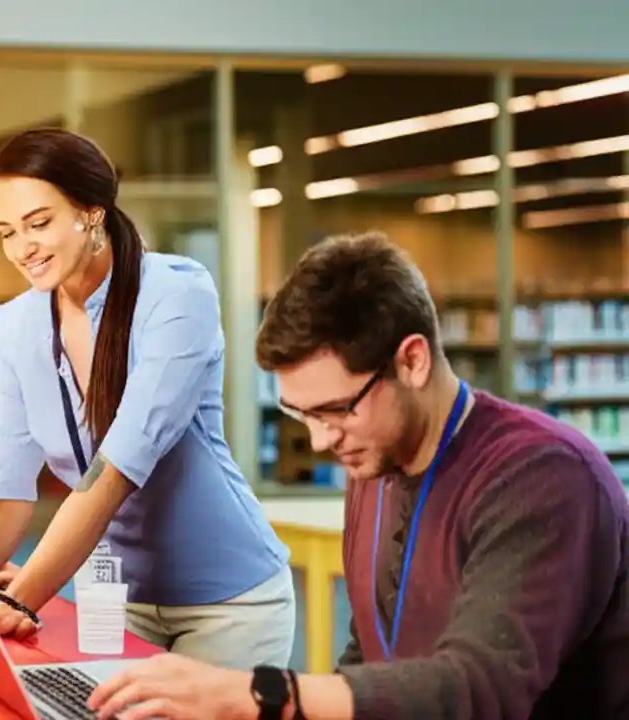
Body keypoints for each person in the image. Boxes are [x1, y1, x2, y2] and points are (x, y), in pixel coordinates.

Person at [88, 231, 629, 719]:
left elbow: (479, 689)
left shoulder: (543, 479)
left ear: (412, 361)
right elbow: (373, 650)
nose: (322, 441)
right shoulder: (376, 459)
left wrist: (256, 695)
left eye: (337, 410)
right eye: (304, 415)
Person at [0, 127, 294, 668]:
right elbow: (4, 489)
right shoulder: (11, 327)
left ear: (91, 211)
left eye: (39, 223)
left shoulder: (176, 295)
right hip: (114, 600)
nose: (24, 248)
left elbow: (112, 475)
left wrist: (22, 597)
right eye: (8, 232)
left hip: (227, 604)